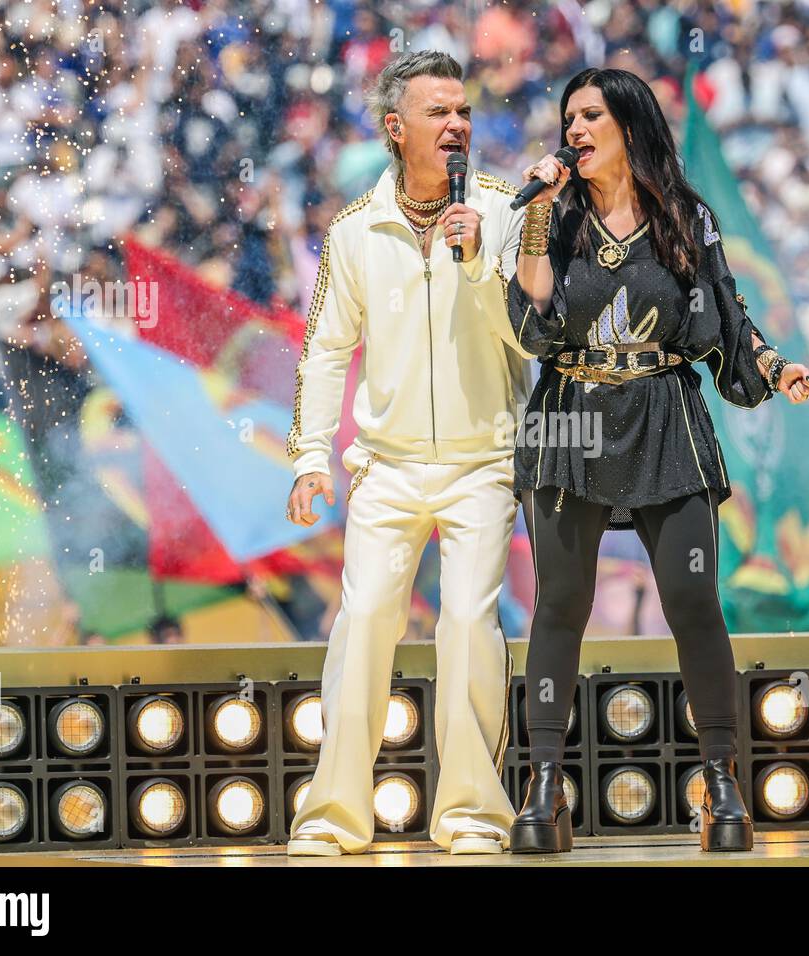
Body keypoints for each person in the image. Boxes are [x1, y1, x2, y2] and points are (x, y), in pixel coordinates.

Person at [506, 68, 809, 853]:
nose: (574, 131)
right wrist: (538, 212)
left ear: (629, 125)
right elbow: (534, 312)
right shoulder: (557, 213)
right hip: (569, 420)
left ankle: (721, 786)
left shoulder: (685, 215)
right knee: (559, 606)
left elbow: (726, 309)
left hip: (665, 417)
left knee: (692, 600)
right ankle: (544, 788)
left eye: (590, 117)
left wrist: (775, 367)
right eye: (568, 118)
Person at [283, 51, 532, 857]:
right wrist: (310, 455)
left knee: (467, 621)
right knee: (361, 626)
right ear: (397, 129)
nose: (458, 125)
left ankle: (471, 817)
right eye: (439, 112)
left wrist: (477, 262)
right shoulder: (353, 231)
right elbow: (324, 350)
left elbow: (529, 335)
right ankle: (332, 820)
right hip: (384, 468)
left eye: (463, 110)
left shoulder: (503, 211)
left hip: (483, 464)